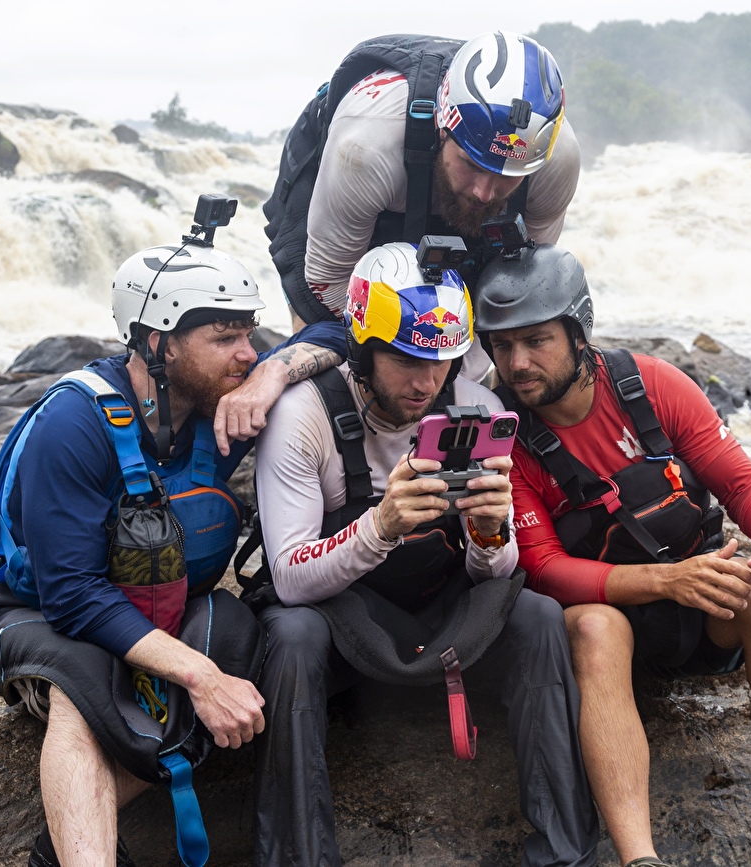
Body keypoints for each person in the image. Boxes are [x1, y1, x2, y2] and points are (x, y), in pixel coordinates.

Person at [475, 245, 751, 867]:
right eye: (502, 345)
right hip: (605, 630)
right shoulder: (503, 434)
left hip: (694, 609)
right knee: (595, 626)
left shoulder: (650, 384)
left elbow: (738, 478)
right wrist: (666, 579)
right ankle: (640, 859)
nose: (517, 363)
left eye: (536, 341)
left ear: (578, 330)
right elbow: (541, 568)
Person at [0, 217, 347, 867]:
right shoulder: (75, 422)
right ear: (159, 344)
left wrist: (271, 377)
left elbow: (337, 332)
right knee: (87, 675)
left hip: (164, 608)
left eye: (249, 333)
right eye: (226, 337)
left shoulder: (223, 398)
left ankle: (60, 840)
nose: (246, 351)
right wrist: (199, 676)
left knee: (237, 629)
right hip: (41, 617)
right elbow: (72, 598)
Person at [247, 240, 598, 866]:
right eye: (406, 358)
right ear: (364, 346)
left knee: (538, 616)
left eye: (442, 361)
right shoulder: (304, 416)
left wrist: (491, 533)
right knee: (291, 634)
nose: (425, 381)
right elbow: (291, 577)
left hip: (442, 618)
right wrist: (379, 526)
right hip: (342, 628)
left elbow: (497, 573)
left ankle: (564, 853)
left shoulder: (477, 410)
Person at [264, 29, 580, 351]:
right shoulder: (366, 149)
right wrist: (411, 349)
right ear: (442, 128)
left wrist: (461, 355)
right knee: (330, 345)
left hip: (415, 182)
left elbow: (523, 280)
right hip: (344, 183)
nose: (484, 193)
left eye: (508, 176)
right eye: (471, 164)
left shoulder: (558, 160)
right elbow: (330, 282)